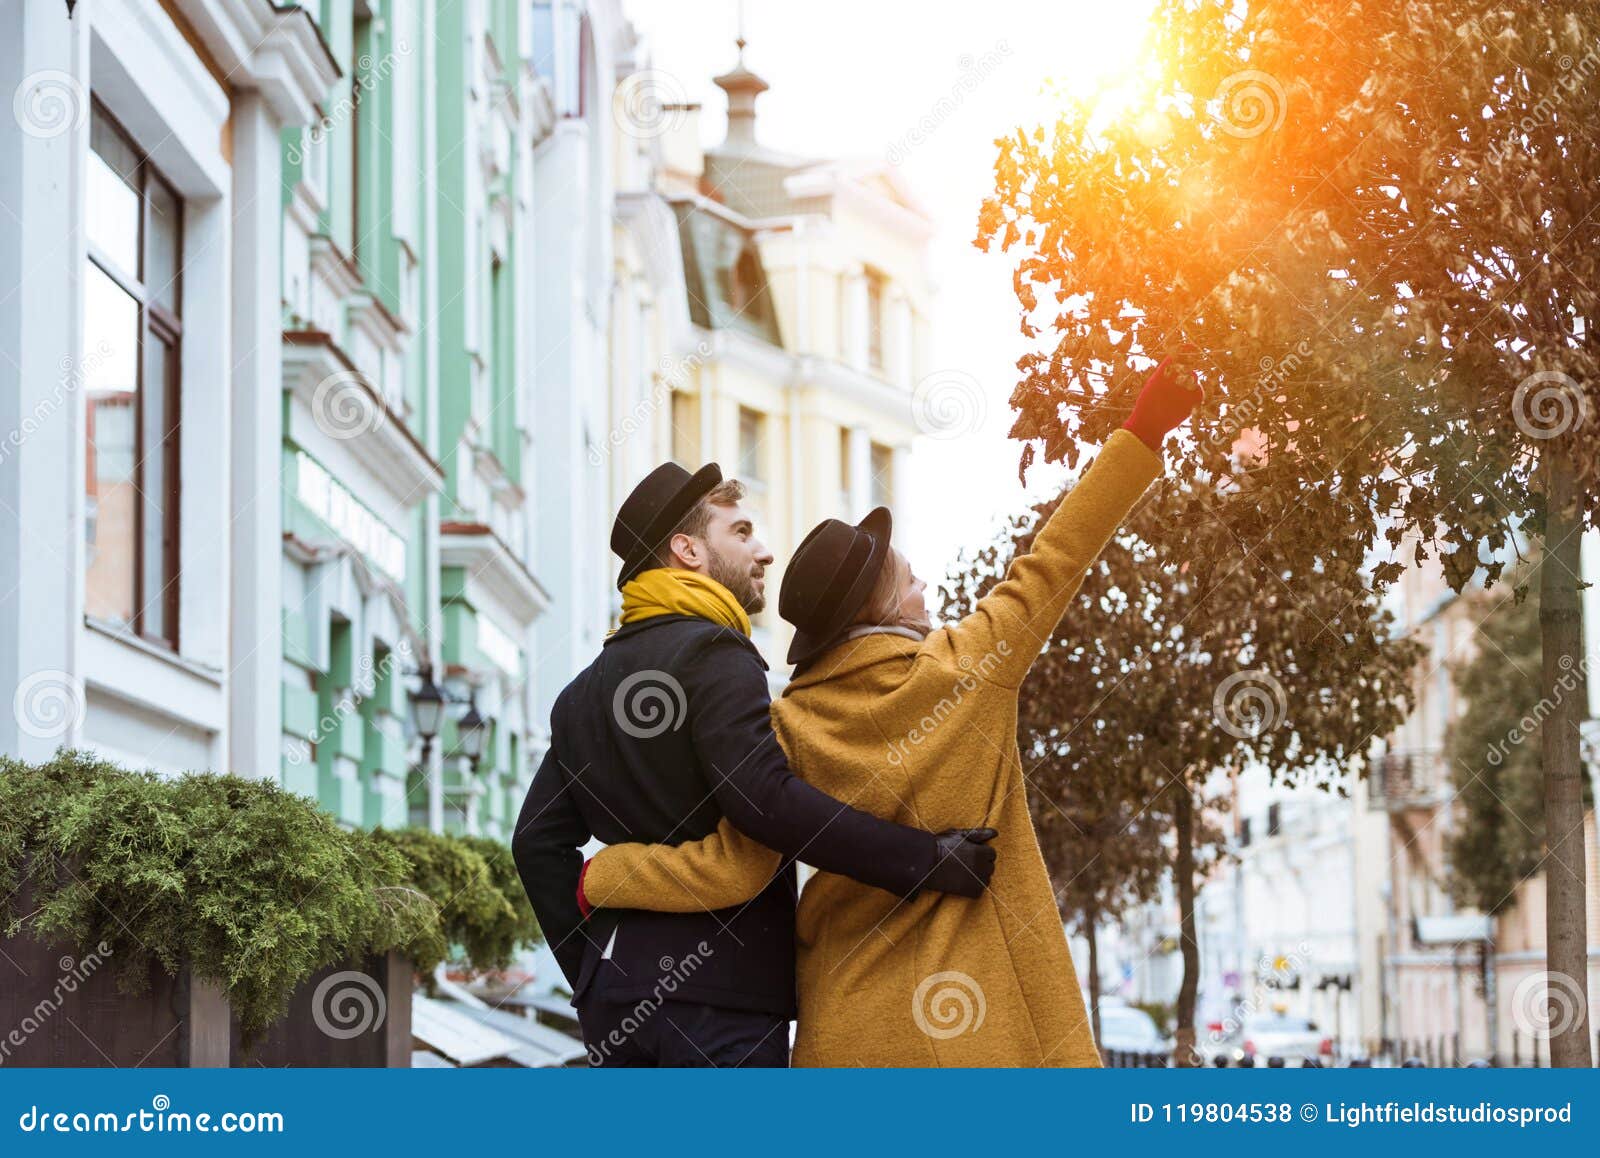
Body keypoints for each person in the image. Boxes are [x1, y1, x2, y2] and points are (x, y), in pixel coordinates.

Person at [579, 356, 1202, 1066]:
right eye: (910, 579)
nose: (927, 587)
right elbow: (1059, 554)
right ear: (881, 605)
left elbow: (733, 870)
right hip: (985, 1032)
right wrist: (1144, 428)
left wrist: (606, 873)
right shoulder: (970, 668)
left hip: (849, 1036)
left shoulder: (784, 725)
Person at [511, 460, 1000, 1068]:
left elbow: (535, 842)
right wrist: (926, 860)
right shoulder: (715, 651)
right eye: (740, 533)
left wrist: (591, 967)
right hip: (723, 1004)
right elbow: (765, 801)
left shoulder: (582, 691)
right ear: (686, 549)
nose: (764, 552)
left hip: (614, 1001)